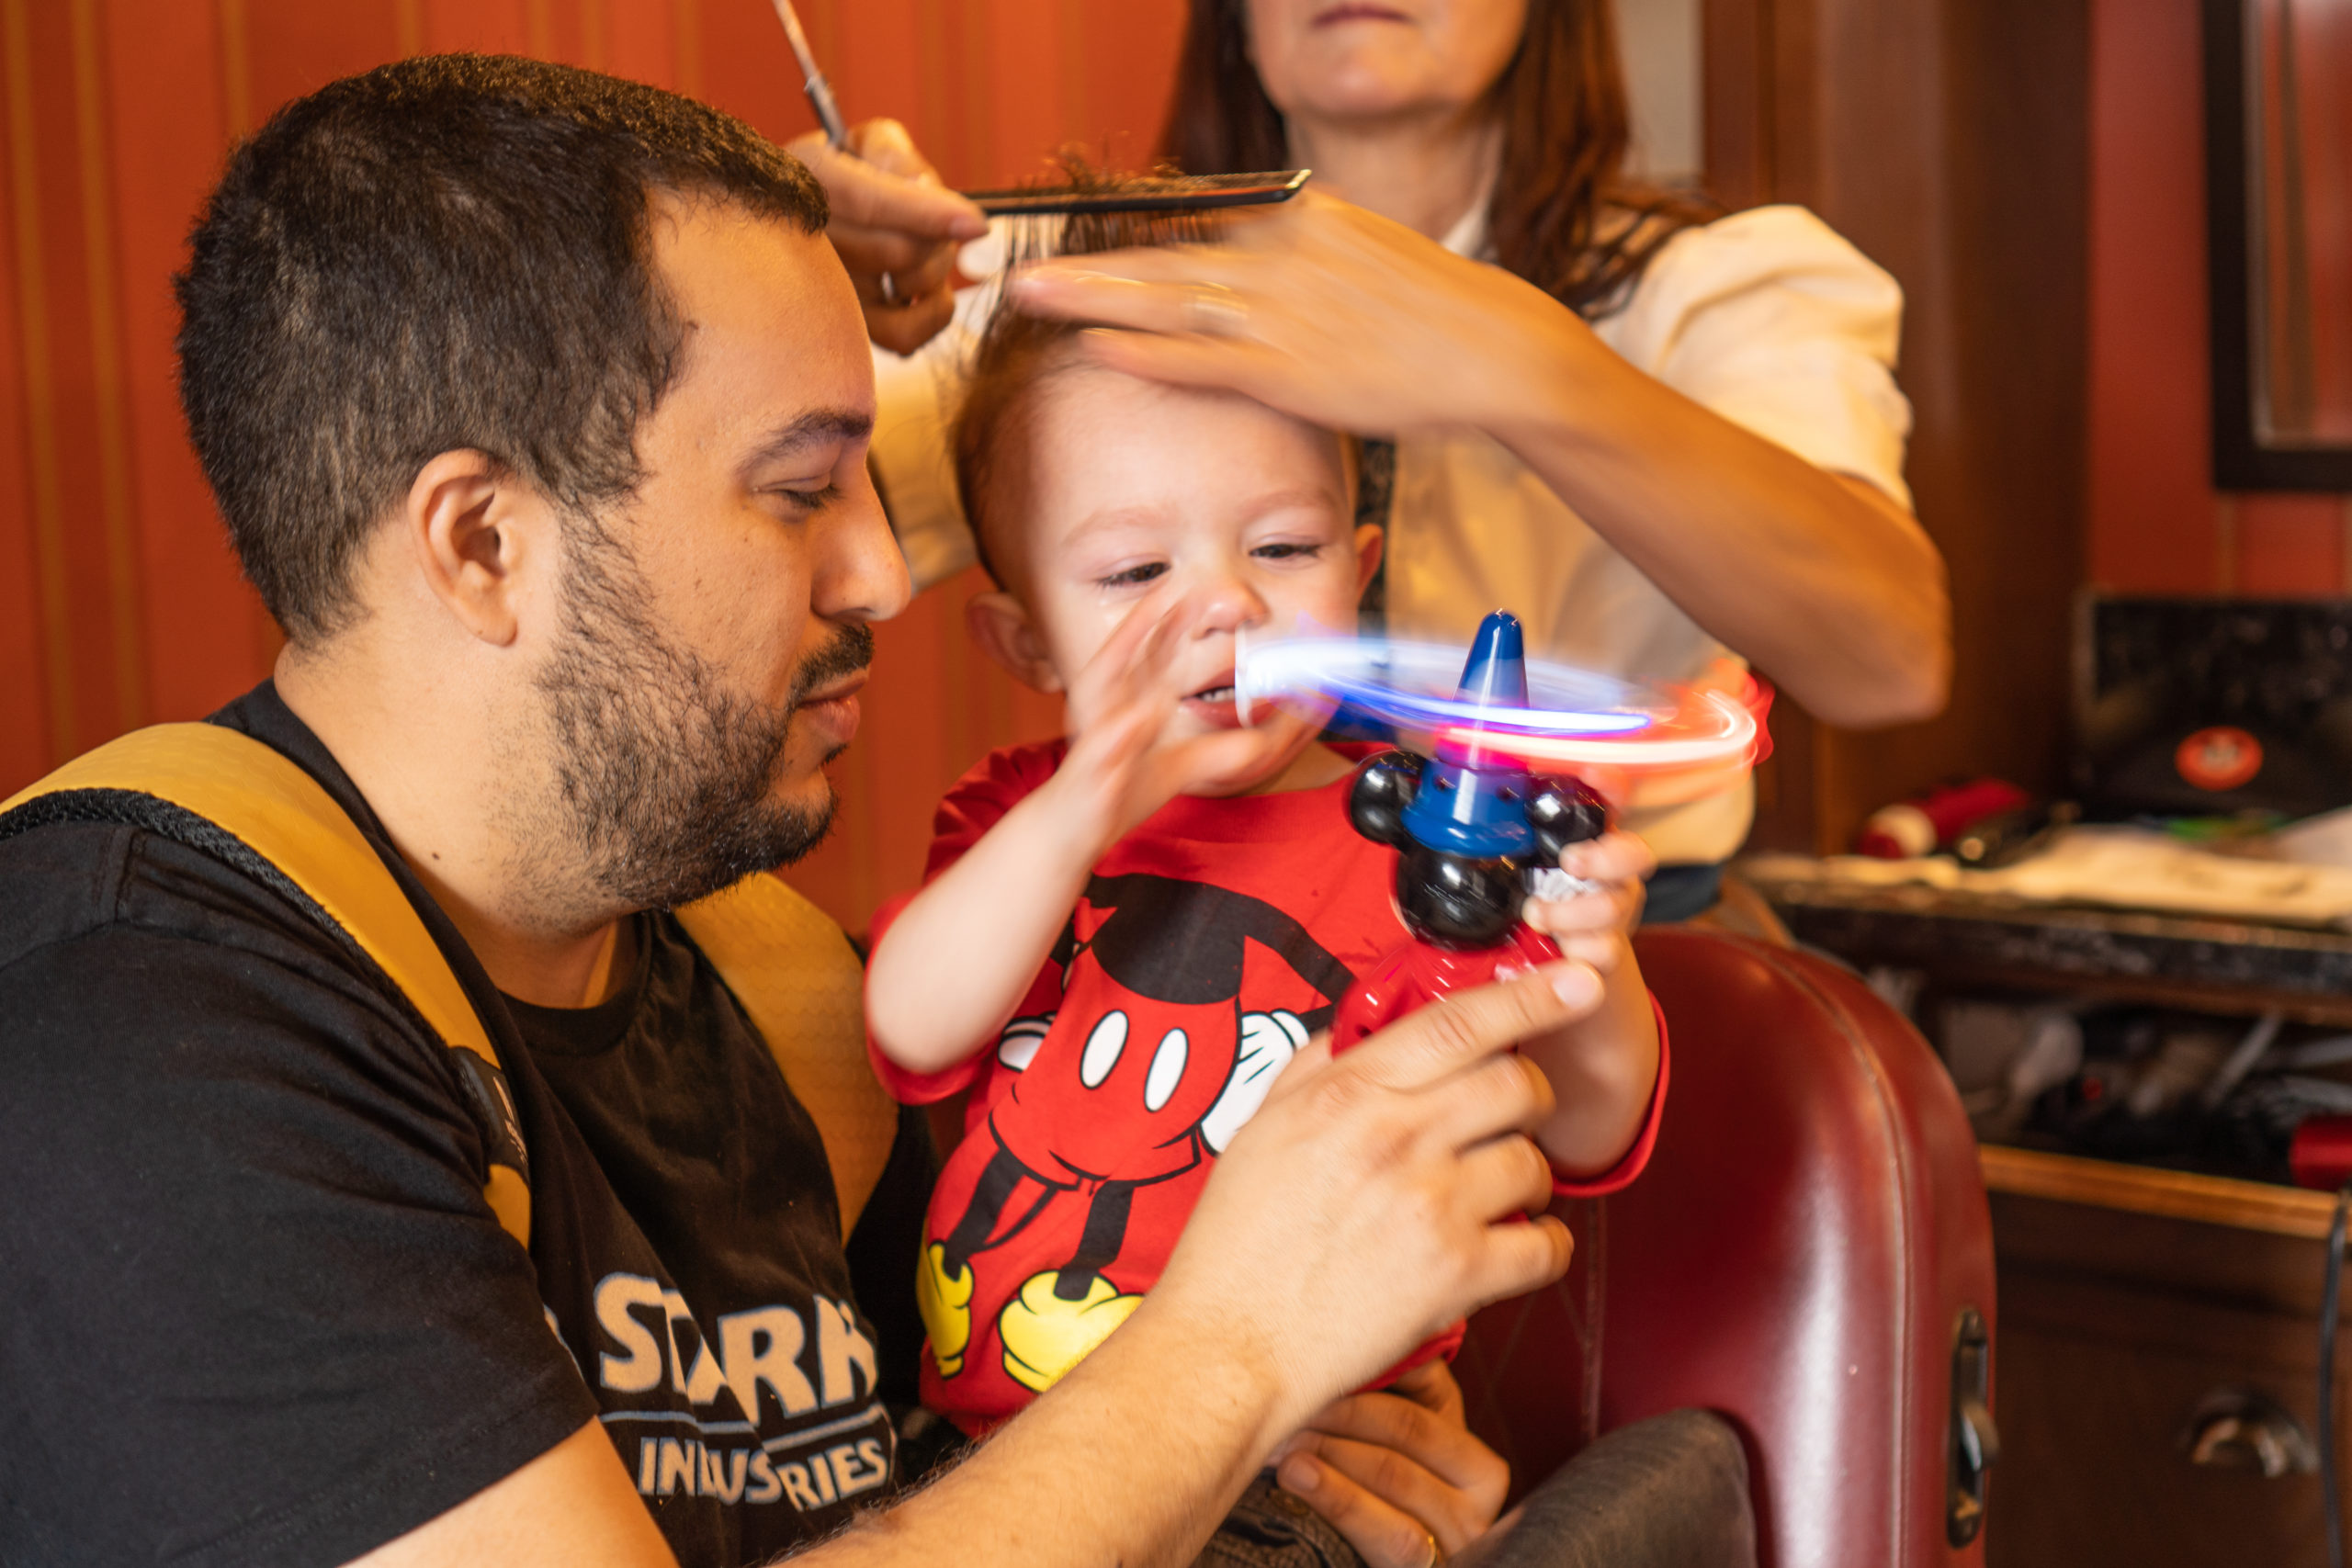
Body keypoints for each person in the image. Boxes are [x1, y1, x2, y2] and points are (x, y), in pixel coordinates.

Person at [0, 54, 1661, 1568]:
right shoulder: (145, 1012)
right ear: (482, 544)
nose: (880, 570)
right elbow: (1172, 1383)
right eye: (801, 488)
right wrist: (1230, 1354)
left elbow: (1015, 1464)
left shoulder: (766, 988)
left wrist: (1314, 1455)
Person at [859, 213, 1665, 1456]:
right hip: (1012, 1461)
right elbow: (913, 1022)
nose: (1227, 602)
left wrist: (1592, 968)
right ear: (1026, 644)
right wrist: (1090, 796)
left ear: (1359, 571)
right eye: (1134, 572)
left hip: (1313, 1450)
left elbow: (1593, 1126)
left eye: (1282, 547)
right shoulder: (1019, 822)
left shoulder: (1439, 826)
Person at [870, 0, 1951, 919]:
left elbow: (1888, 657)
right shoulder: (1054, 302)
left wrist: (1526, 368)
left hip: (1611, 951)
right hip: (1179, 964)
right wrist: (781, 275)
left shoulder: (1717, 290)